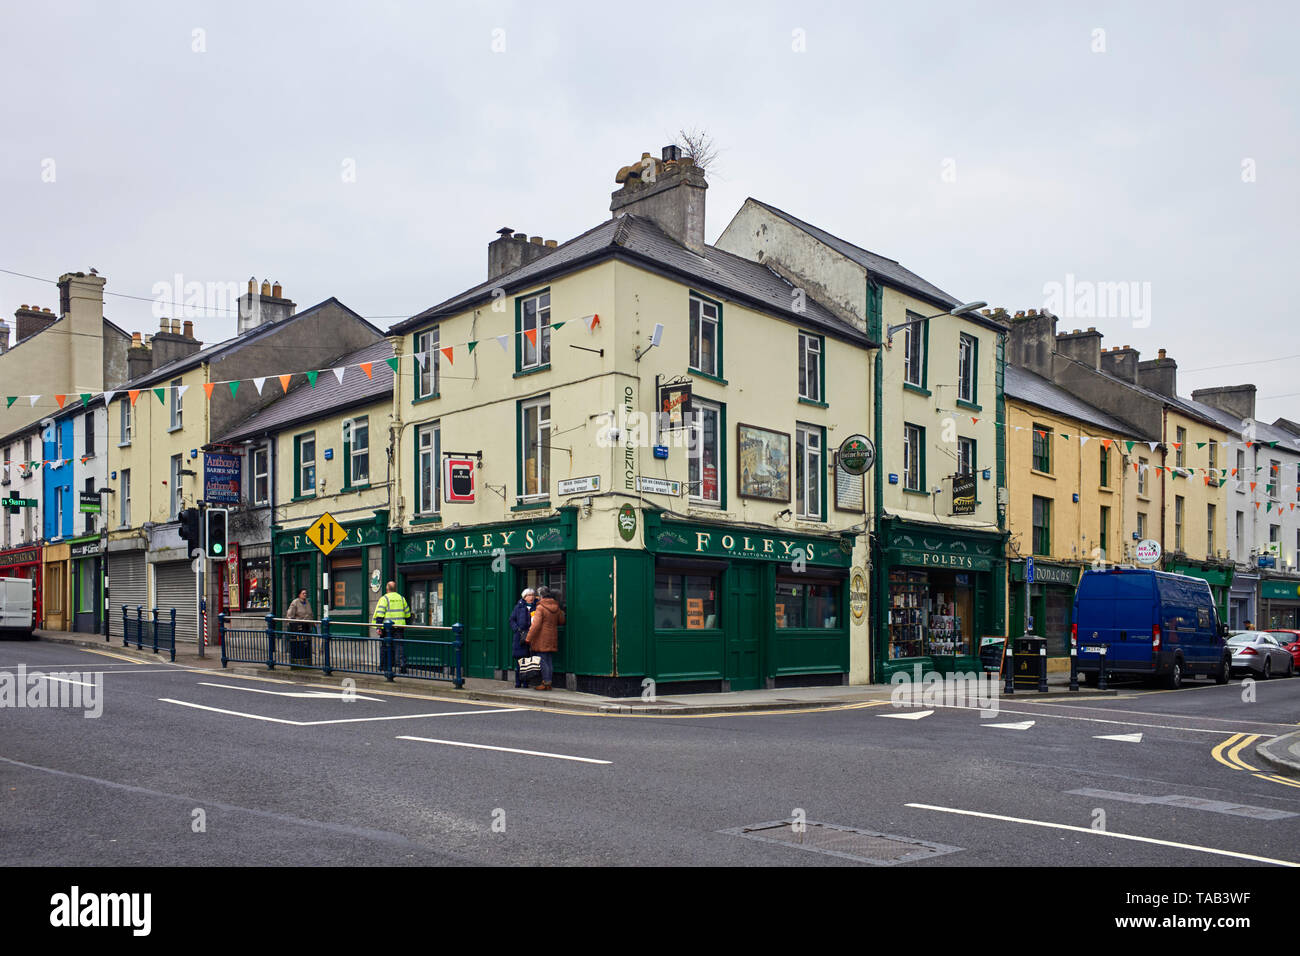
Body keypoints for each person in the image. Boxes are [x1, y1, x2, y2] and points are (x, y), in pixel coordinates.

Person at [525, 585, 565, 691]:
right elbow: (561, 621)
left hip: (541, 638)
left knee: (542, 660)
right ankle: (548, 682)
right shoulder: (556, 607)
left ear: (541, 596)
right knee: (549, 660)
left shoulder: (540, 607)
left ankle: (546, 682)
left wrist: (528, 638)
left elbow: (536, 625)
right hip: (552, 636)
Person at [373, 581, 412, 671]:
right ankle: (402, 666)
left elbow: (380, 614)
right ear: (395, 589)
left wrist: (379, 627)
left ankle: (384, 666)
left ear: (387, 589)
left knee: (385, 647)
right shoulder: (401, 598)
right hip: (399, 627)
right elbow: (408, 615)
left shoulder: (384, 598)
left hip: (387, 628)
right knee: (399, 647)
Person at [508, 588, 538, 687]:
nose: (532, 597)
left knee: (529, 661)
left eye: (533, 595)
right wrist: (517, 629)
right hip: (520, 637)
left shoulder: (537, 607)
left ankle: (526, 682)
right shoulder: (518, 607)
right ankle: (518, 682)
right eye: (529, 595)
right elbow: (512, 620)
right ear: (524, 597)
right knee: (520, 661)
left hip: (532, 636)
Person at [286, 589, 313, 667]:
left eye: (306, 593)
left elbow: (310, 614)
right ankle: (298, 662)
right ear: (299, 595)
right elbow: (290, 615)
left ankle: (306, 662)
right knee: (299, 645)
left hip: (307, 626)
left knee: (306, 644)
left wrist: (313, 623)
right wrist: (292, 624)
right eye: (303, 593)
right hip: (298, 627)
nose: (305, 594)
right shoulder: (295, 603)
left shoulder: (307, 602)